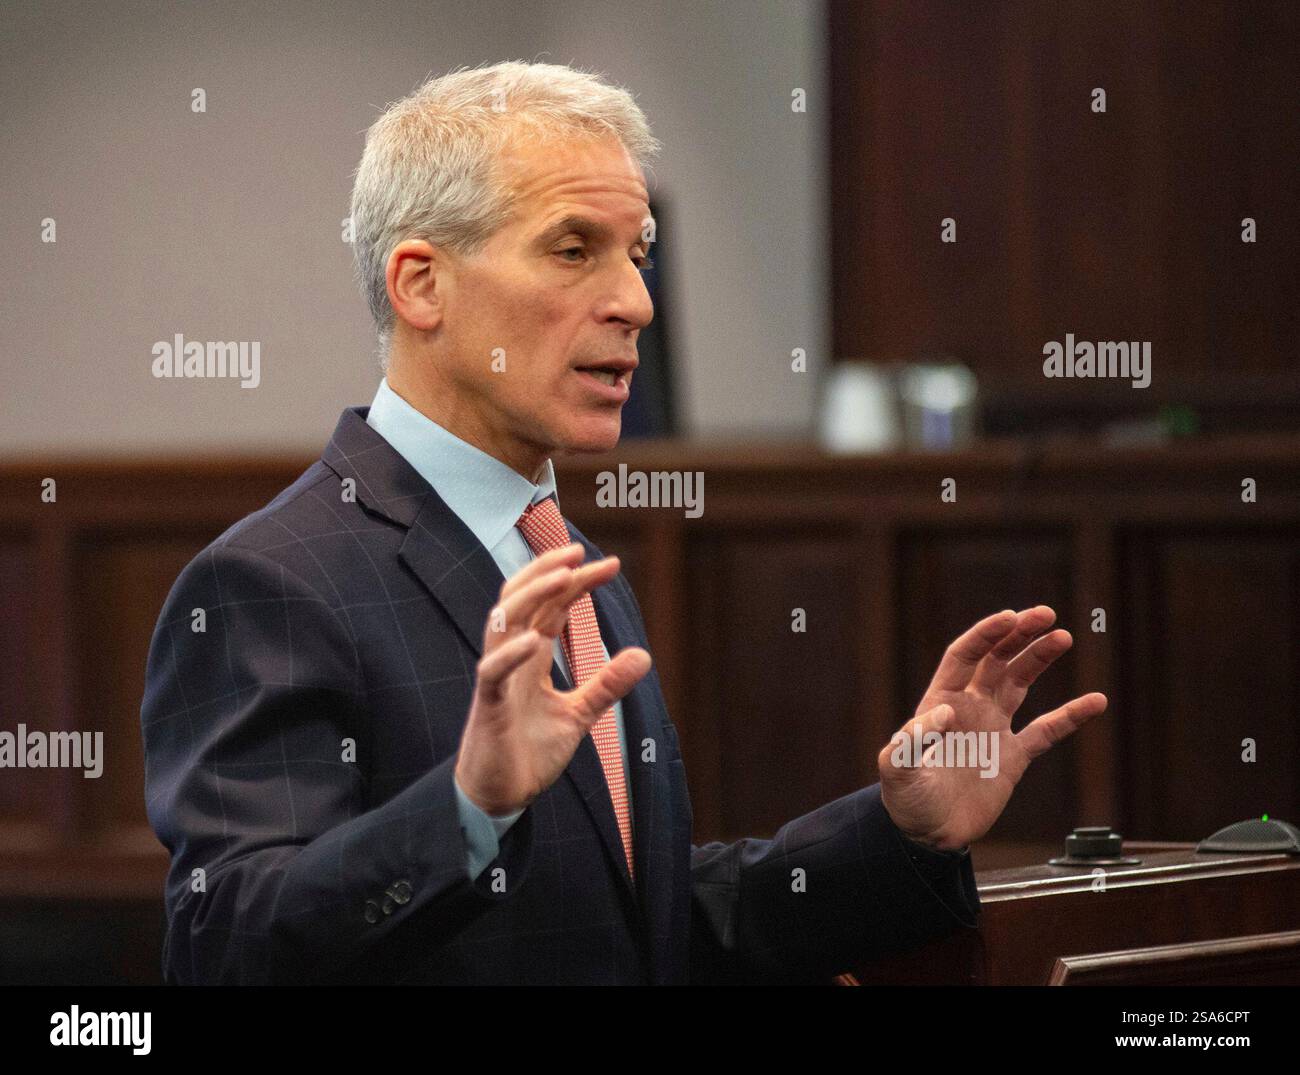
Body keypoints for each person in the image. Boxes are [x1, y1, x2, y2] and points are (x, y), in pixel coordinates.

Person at [140, 60, 1107, 985]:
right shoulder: (269, 582)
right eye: (573, 250)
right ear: (421, 283)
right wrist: (466, 809)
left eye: (639, 254)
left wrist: (900, 833)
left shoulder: (566, 556)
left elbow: (641, 928)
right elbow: (226, 948)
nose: (637, 301)